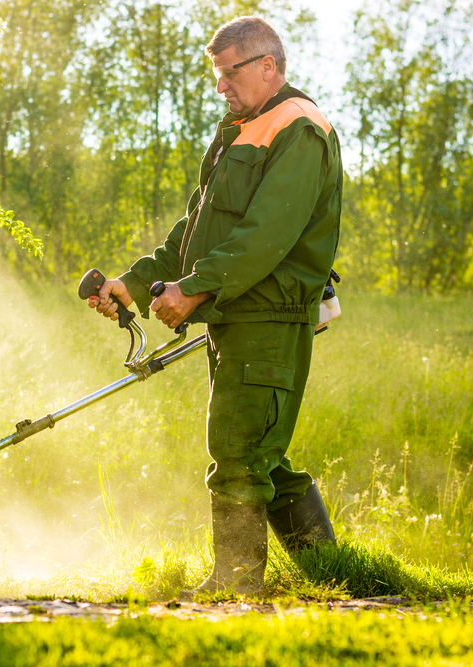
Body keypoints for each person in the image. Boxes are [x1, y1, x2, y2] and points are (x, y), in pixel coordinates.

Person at [87, 16, 341, 596]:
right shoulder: (241, 129)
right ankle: (334, 575)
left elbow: (265, 234)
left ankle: (235, 585)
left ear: (266, 67)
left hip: (268, 317)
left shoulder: (298, 128)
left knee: (239, 455)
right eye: (217, 75)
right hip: (236, 313)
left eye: (228, 74)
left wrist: (195, 289)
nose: (220, 87)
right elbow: (196, 229)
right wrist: (136, 280)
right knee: (260, 455)